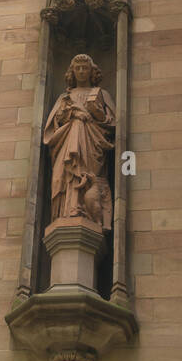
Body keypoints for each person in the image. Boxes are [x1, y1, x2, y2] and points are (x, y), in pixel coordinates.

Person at [43, 53, 114, 230]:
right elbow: (53, 124)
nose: (81, 71)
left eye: (85, 68)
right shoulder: (64, 97)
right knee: (65, 176)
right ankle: (67, 211)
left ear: (92, 71)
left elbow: (112, 123)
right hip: (67, 142)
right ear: (72, 72)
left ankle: (88, 214)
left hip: (91, 143)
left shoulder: (101, 94)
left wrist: (95, 115)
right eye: (78, 68)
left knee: (87, 177)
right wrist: (72, 114)